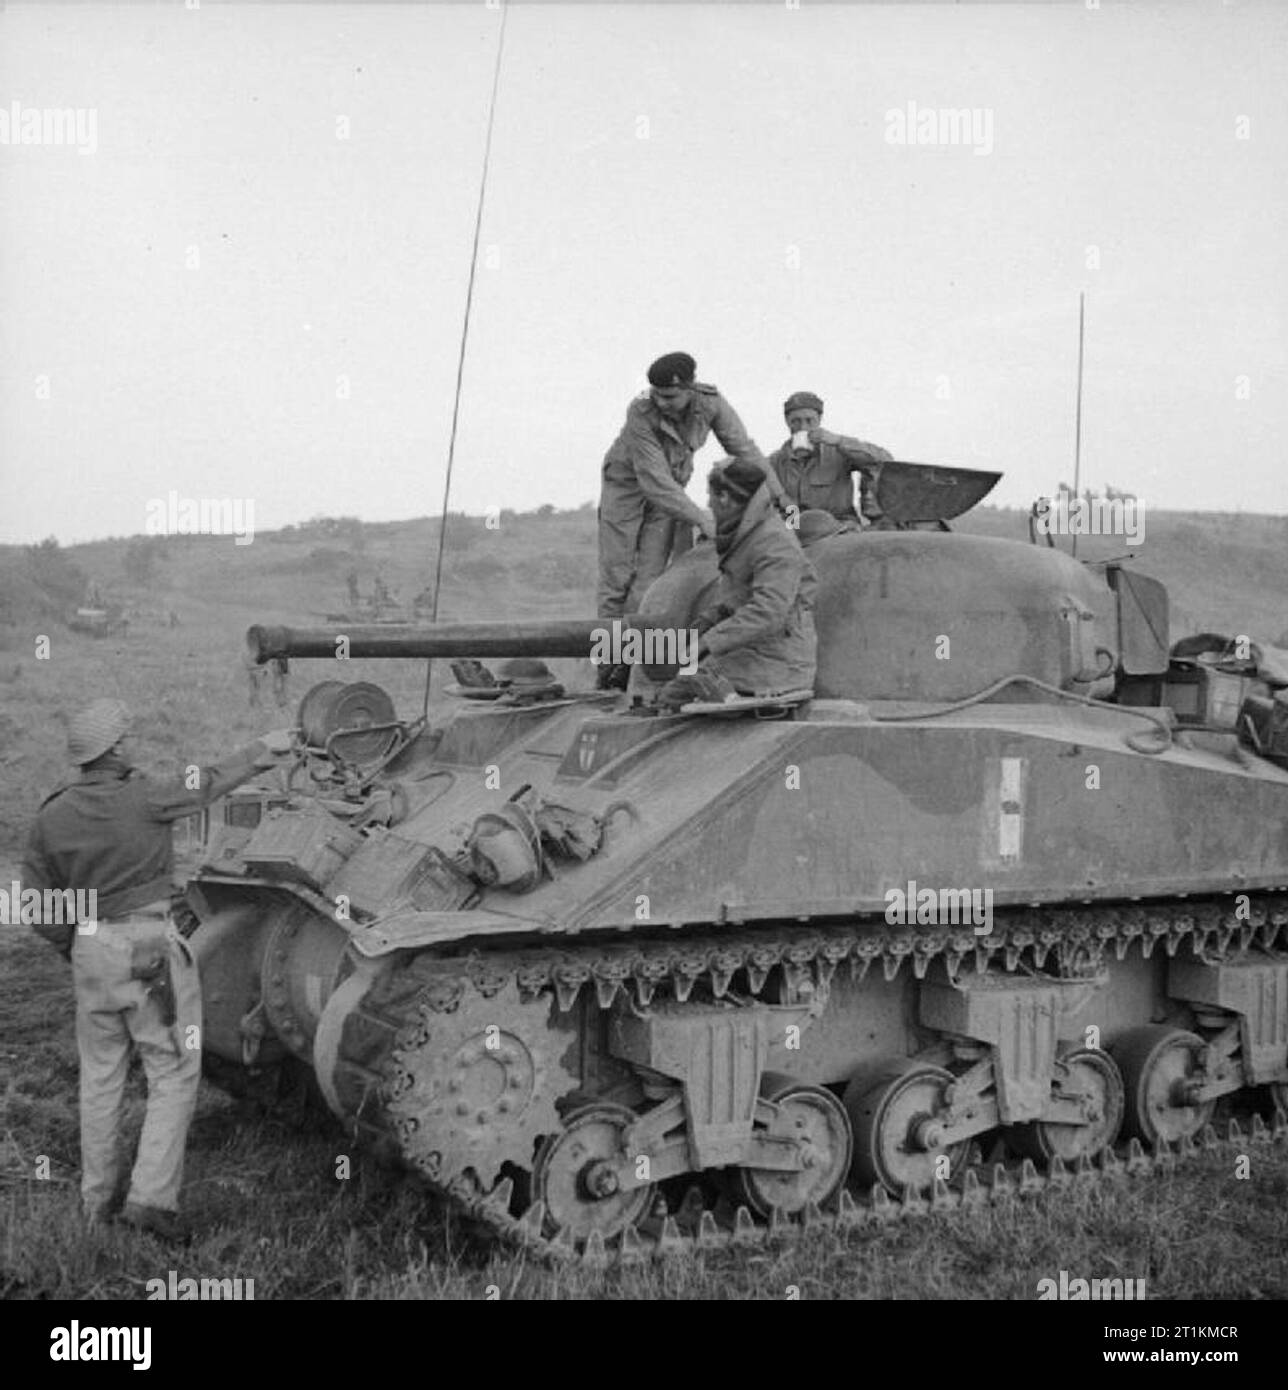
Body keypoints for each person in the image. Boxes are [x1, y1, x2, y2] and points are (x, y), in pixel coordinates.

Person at [21, 698, 294, 1241]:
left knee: (100, 1080)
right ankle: (149, 1203)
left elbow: (34, 904)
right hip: (148, 948)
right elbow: (207, 781)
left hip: (90, 948)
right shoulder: (145, 796)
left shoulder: (51, 815)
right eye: (126, 738)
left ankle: (95, 1203)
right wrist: (268, 748)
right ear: (116, 749)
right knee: (171, 1072)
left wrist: (75, 945)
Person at [598, 351, 778, 628]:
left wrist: (784, 501)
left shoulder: (711, 403)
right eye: (657, 394)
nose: (661, 402)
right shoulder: (640, 409)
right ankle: (607, 661)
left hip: (671, 492)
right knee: (617, 577)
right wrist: (703, 519)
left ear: (690, 388)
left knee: (650, 577)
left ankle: (632, 659)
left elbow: (745, 450)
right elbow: (654, 481)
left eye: (669, 397)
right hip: (627, 488)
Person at [658, 459, 817, 708]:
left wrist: (707, 642)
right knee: (674, 687)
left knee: (677, 694)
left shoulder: (774, 543)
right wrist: (708, 621)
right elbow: (739, 597)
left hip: (778, 663)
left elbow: (768, 613)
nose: (708, 503)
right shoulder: (748, 535)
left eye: (710, 496)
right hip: (753, 651)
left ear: (725, 498)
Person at [767, 390, 892, 526]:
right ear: (787, 422)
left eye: (809, 421)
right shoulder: (774, 462)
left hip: (840, 525)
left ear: (819, 420)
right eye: (796, 421)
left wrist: (838, 441)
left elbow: (884, 460)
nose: (803, 427)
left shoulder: (839, 452)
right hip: (795, 526)